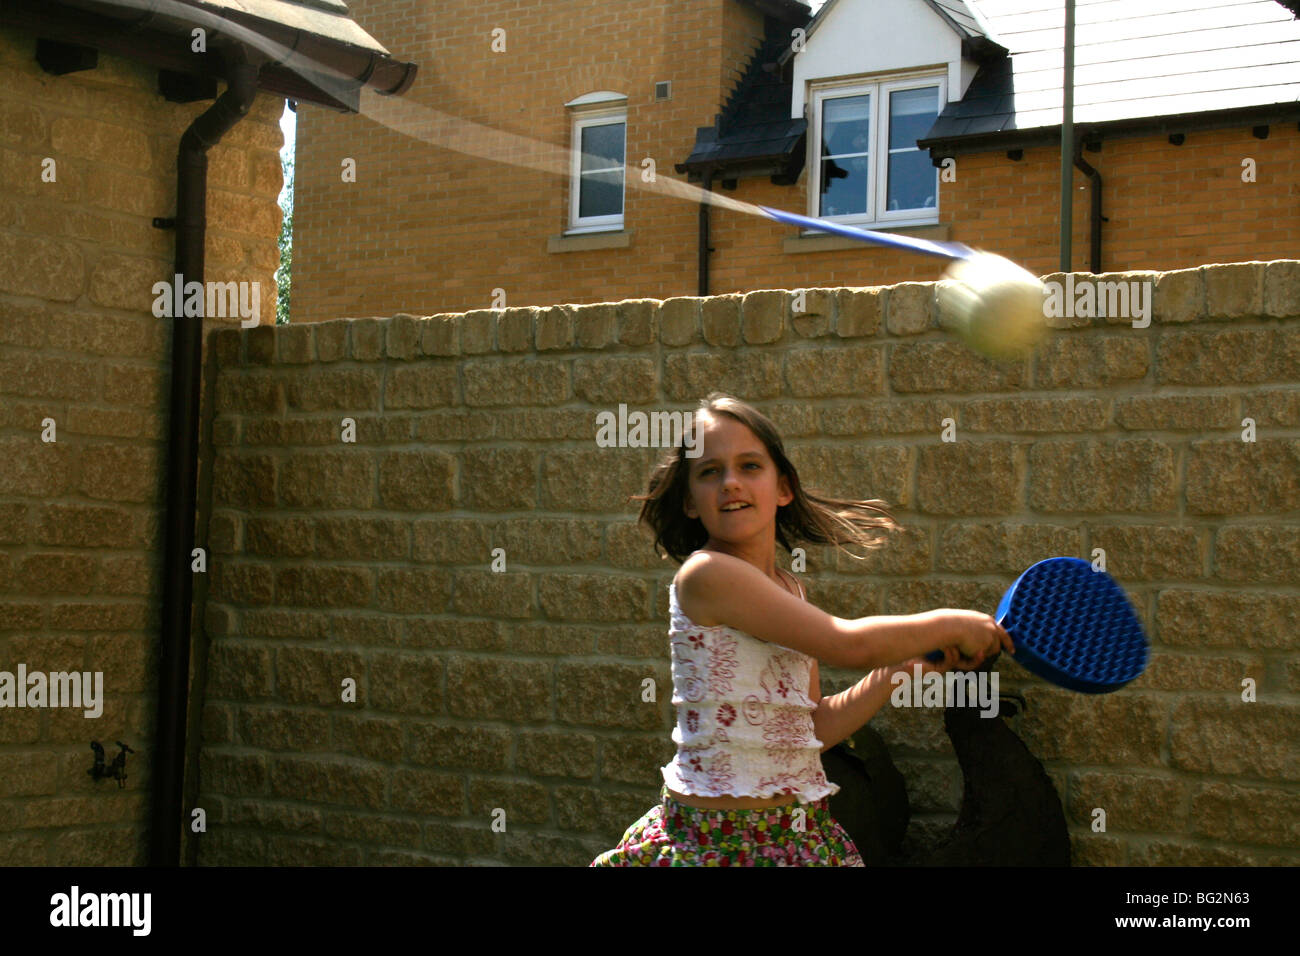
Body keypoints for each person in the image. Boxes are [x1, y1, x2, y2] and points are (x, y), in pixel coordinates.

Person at [589, 392, 1012, 866]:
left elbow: (808, 727)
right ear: (690, 501)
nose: (731, 482)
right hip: (713, 847)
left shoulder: (788, 588)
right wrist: (950, 623)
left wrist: (897, 671)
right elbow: (846, 643)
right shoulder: (706, 576)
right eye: (710, 471)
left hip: (798, 840)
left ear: (783, 488)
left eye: (750, 466)